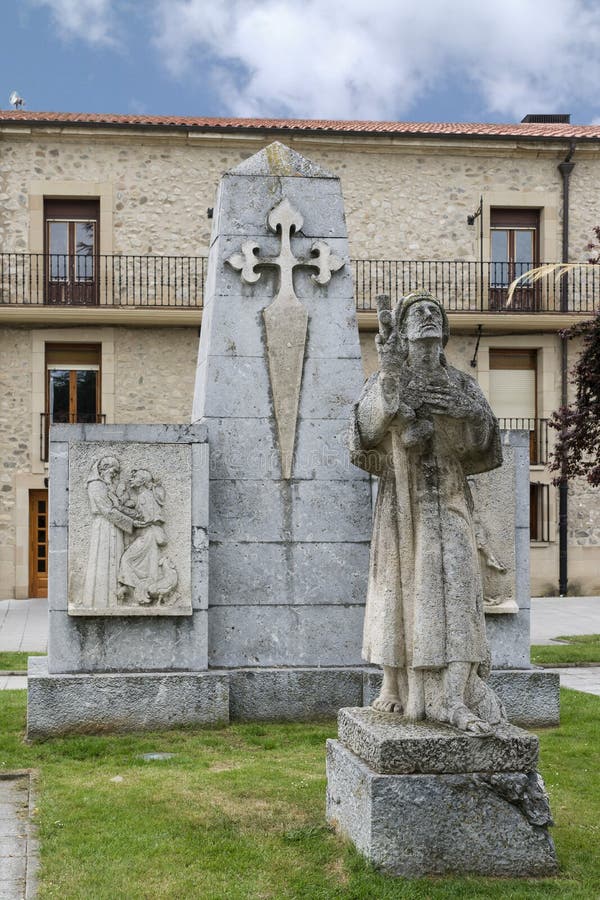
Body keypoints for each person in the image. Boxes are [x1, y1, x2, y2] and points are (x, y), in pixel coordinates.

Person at [348, 290, 506, 733]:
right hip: (402, 503)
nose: (426, 315)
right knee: (399, 591)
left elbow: (488, 448)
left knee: (458, 585)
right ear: (401, 328)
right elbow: (360, 436)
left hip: (449, 500)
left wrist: (469, 415)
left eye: (434, 310)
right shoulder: (385, 376)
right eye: (416, 311)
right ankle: (396, 684)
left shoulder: (462, 384)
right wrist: (392, 385)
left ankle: (454, 693)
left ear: (444, 328)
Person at [117, 469, 178, 606]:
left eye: (135, 477)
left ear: (142, 481)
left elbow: (148, 517)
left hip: (147, 536)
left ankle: (137, 594)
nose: (132, 479)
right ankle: (138, 594)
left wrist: (131, 518)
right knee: (144, 567)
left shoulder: (145, 496)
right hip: (146, 535)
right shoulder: (143, 496)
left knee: (127, 560)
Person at [81, 456, 135, 608]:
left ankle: (113, 600)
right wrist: (131, 523)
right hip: (104, 526)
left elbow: (116, 506)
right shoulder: (96, 485)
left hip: (114, 526)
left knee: (115, 559)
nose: (114, 475)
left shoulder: (106, 485)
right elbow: (108, 510)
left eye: (116, 472)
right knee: (103, 559)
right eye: (113, 471)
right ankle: (100, 601)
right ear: (104, 469)